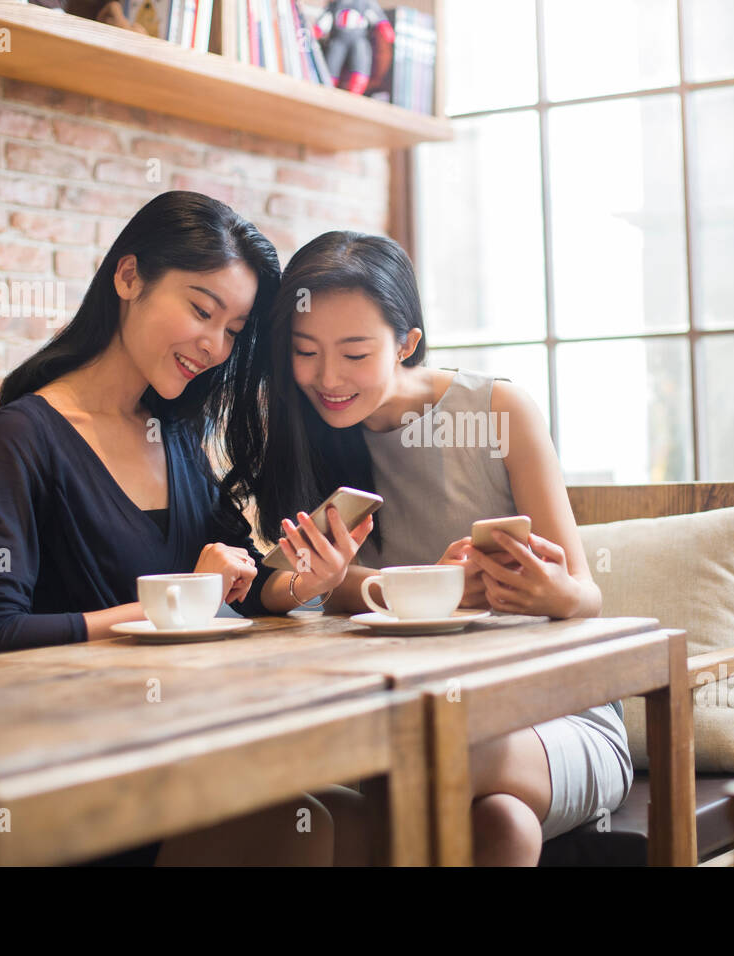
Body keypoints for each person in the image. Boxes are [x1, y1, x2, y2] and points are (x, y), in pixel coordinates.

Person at [0, 191, 372, 865]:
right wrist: (180, 604)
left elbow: (240, 580)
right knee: (307, 828)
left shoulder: (172, 434)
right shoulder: (24, 436)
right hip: (76, 766)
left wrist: (301, 581)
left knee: (361, 820)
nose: (214, 346)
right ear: (128, 279)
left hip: (181, 740)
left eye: (234, 330)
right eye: (200, 310)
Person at [252, 230, 632, 866]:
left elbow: (585, 597)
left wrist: (547, 591)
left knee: (410, 761)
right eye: (306, 352)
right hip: (408, 715)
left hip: (553, 715)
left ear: (406, 343)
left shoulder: (496, 410)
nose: (328, 378)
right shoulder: (302, 435)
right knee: (502, 826)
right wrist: (396, 586)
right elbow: (284, 588)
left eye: (354, 352)